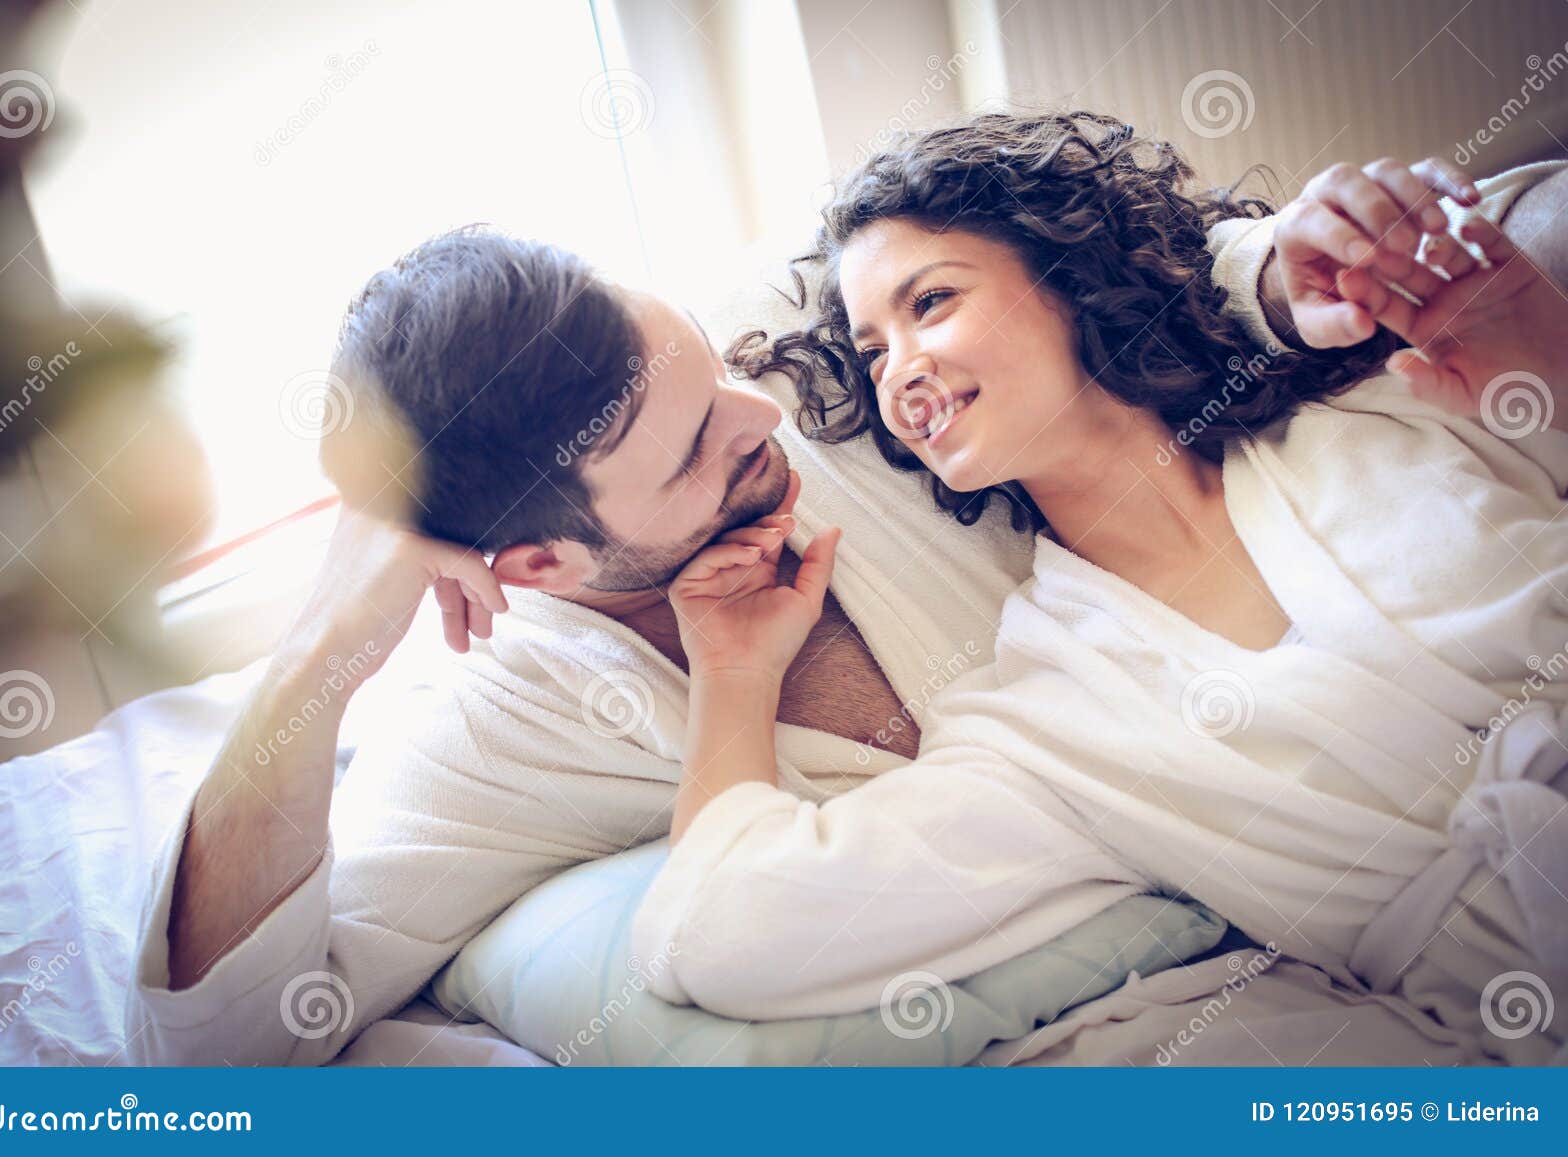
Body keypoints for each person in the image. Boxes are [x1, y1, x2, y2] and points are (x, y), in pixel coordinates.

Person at [126, 114, 1477, 1066]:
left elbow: (1076, 261)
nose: (761, 412)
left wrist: (1286, 281)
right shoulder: (503, 721)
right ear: (541, 564)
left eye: (713, 370)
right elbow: (227, 1045)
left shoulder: (811, 328)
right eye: (697, 447)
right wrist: (320, 646)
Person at [630, 112, 1568, 1066]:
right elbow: (717, 931)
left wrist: (1551, 361)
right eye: (873, 351)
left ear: (1070, 285)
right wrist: (734, 669)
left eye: (932, 303)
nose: (902, 368)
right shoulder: (1045, 721)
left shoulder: (1385, 417)